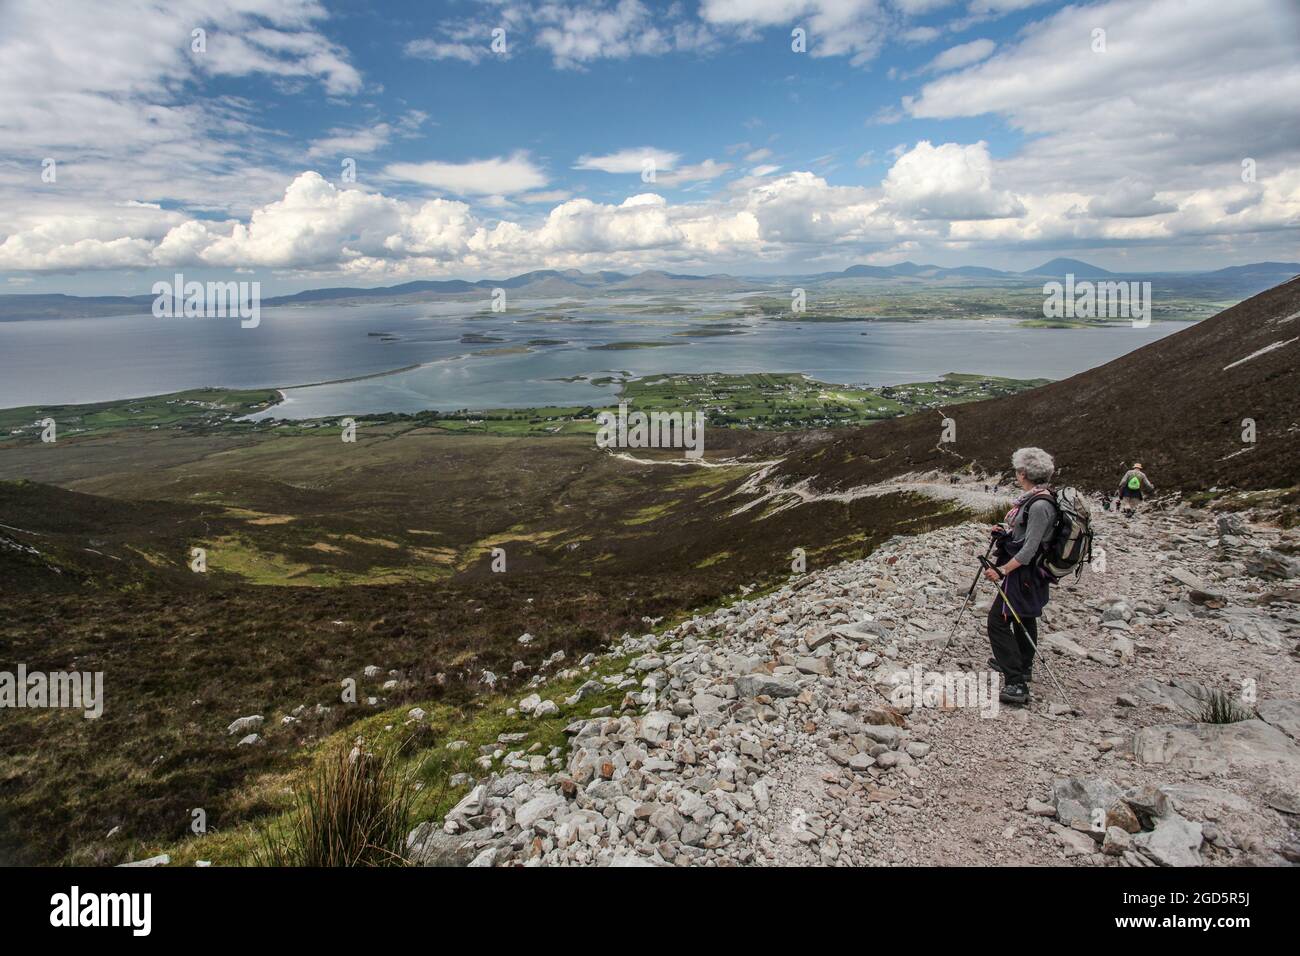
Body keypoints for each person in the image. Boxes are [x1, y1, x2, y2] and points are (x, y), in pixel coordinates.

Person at [983, 447, 1058, 706]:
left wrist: (1002, 570)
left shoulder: (1038, 505)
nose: (1016, 474)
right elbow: (1025, 536)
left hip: (1024, 574)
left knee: (997, 621)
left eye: (1017, 471)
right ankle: (1023, 665)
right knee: (1024, 617)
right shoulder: (1040, 499)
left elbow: (1029, 549)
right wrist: (1005, 532)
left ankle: (1015, 682)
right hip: (1030, 574)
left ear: (1024, 473)